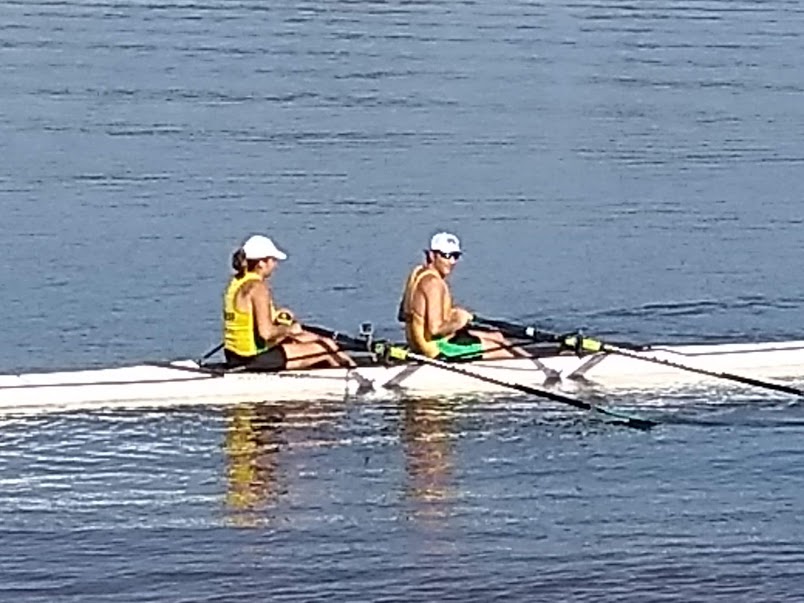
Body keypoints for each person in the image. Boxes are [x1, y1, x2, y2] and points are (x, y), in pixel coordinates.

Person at [223, 235, 356, 371]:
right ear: (261, 263)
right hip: (253, 359)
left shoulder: (237, 281)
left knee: (324, 341)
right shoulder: (258, 287)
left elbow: (251, 318)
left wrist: (278, 317)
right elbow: (266, 334)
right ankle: (353, 377)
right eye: (273, 260)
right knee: (324, 349)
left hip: (234, 354)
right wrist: (288, 329)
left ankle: (352, 368)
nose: (275, 265)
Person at [397, 232, 526, 361]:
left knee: (497, 336)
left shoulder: (416, 274)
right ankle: (528, 369)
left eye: (456, 256)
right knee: (499, 349)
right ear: (432, 255)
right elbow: (435, 330)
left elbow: (403, 315)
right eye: (447, 256)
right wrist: (459, 321)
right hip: (436, 349)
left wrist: (450, 314)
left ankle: (532, 360)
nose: (452, 261)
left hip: (418, 344)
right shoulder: (433, 283)